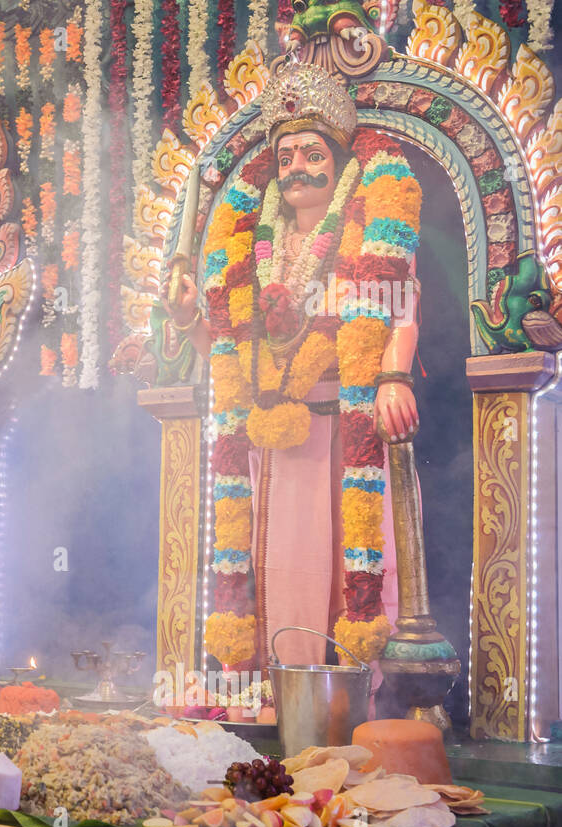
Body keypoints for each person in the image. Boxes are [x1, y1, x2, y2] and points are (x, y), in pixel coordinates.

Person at [165, 61, 422, 670]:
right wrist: (184, 320)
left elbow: (402, 303)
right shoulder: (253, 255)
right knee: (278, 564)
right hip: (271, 438)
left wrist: (393, 374)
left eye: (310, 153)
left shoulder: (367, 239)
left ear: (339, 161)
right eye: (284, 158)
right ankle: (281, 693)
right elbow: (227, 352)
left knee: (342, 564)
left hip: (343, 425)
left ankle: (348, 692)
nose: (296, 169)